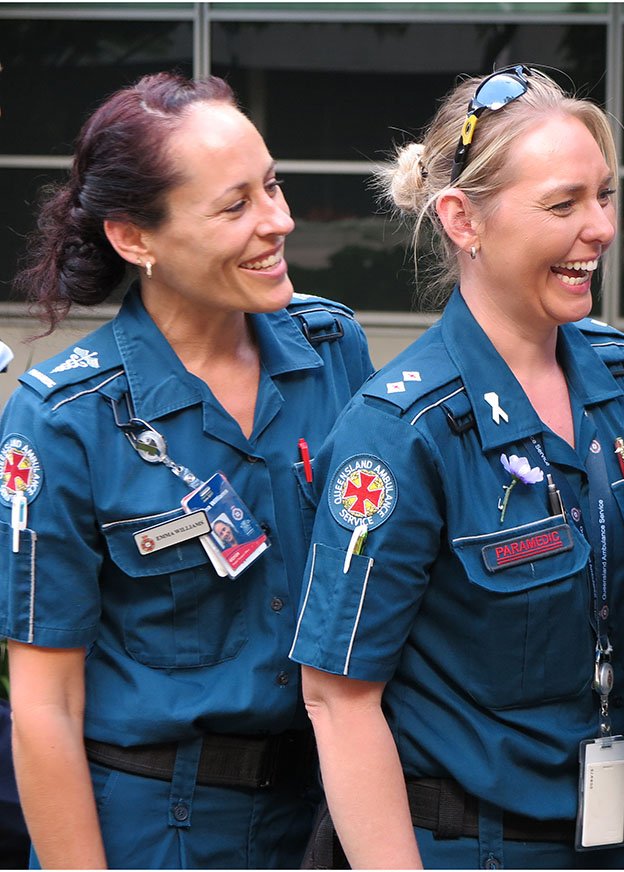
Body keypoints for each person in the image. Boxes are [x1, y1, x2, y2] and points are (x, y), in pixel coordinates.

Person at [290, 65, 624, 869]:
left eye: (603, 196)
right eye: (563, 205)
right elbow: (338, 701)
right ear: (464, 220)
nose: (600, 227)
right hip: (474, 847)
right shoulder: (401, 430)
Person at [0, 73, 374, 868]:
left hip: (328, 810)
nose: (279, 220)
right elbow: (44, 707)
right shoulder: (65, 418)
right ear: (135, 238)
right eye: (235, 206)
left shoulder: (332, 349)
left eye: (272, 185)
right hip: (156, 826)